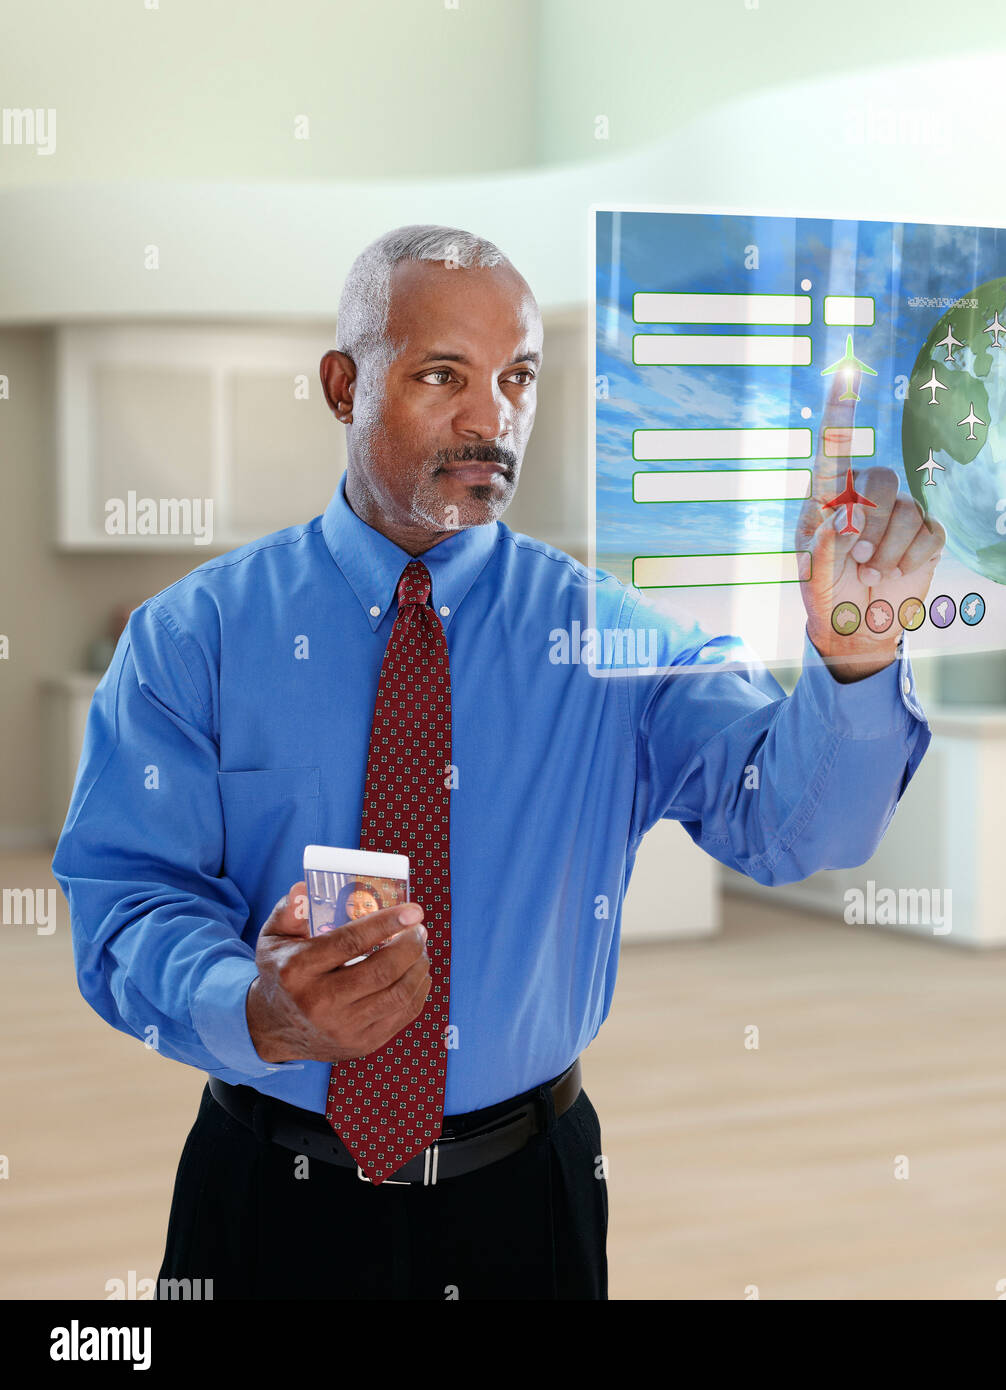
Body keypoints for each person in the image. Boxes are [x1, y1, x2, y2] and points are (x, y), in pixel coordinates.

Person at [52, 223, 944, 1301]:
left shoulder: (614, 640)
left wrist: (854, 660)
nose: (491, 419)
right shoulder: (195, 637)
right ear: (344, 384)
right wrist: (253, 1006)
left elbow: (797, 826)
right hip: (265, 1192)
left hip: (523, 1202)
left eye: (516, 378)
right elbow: (128, 902)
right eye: (443, 376)